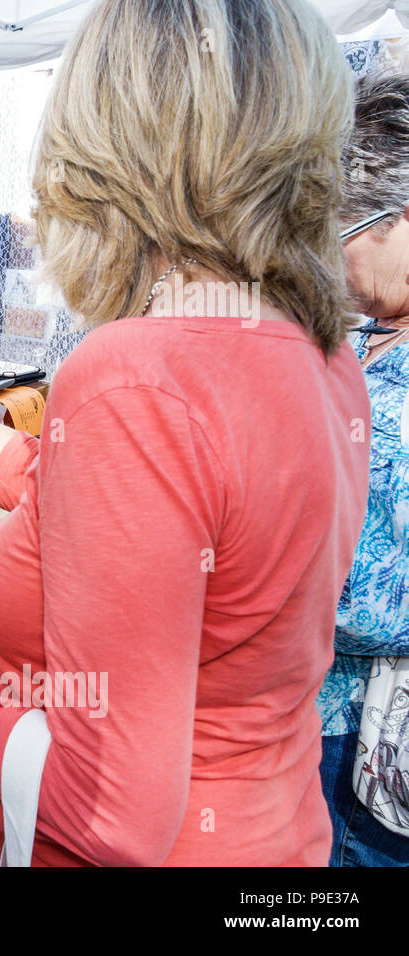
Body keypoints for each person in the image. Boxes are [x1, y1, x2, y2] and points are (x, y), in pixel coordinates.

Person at [0, 0, 370, 865]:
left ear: (107, 143)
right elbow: (55, 479)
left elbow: (105, 810)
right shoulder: (320, 354)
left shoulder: (136, 371)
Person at [317, 69, 409, 867]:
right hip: (320, 720)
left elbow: (384, 600)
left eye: (343, 232)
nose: (331, 263)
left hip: (369, 744)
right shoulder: (361, 339)